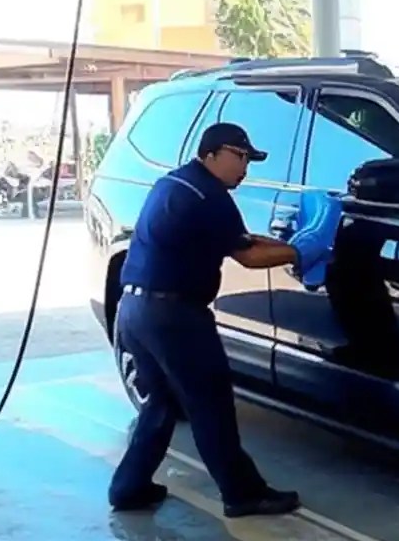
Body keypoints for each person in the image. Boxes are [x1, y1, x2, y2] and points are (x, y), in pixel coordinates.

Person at [109, 122, 312, 518]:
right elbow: (250, 257)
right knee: (210, 404)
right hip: (175, 317)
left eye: (248, 160)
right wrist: (303, 254)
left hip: (134, 311)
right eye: (239, 157)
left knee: (161, 403)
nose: (244, 168)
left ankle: (128, 487)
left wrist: (289, 246)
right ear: (212, 154)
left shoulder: (177, 184)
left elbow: (244, 241)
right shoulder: (209, 196)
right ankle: (242, 494)